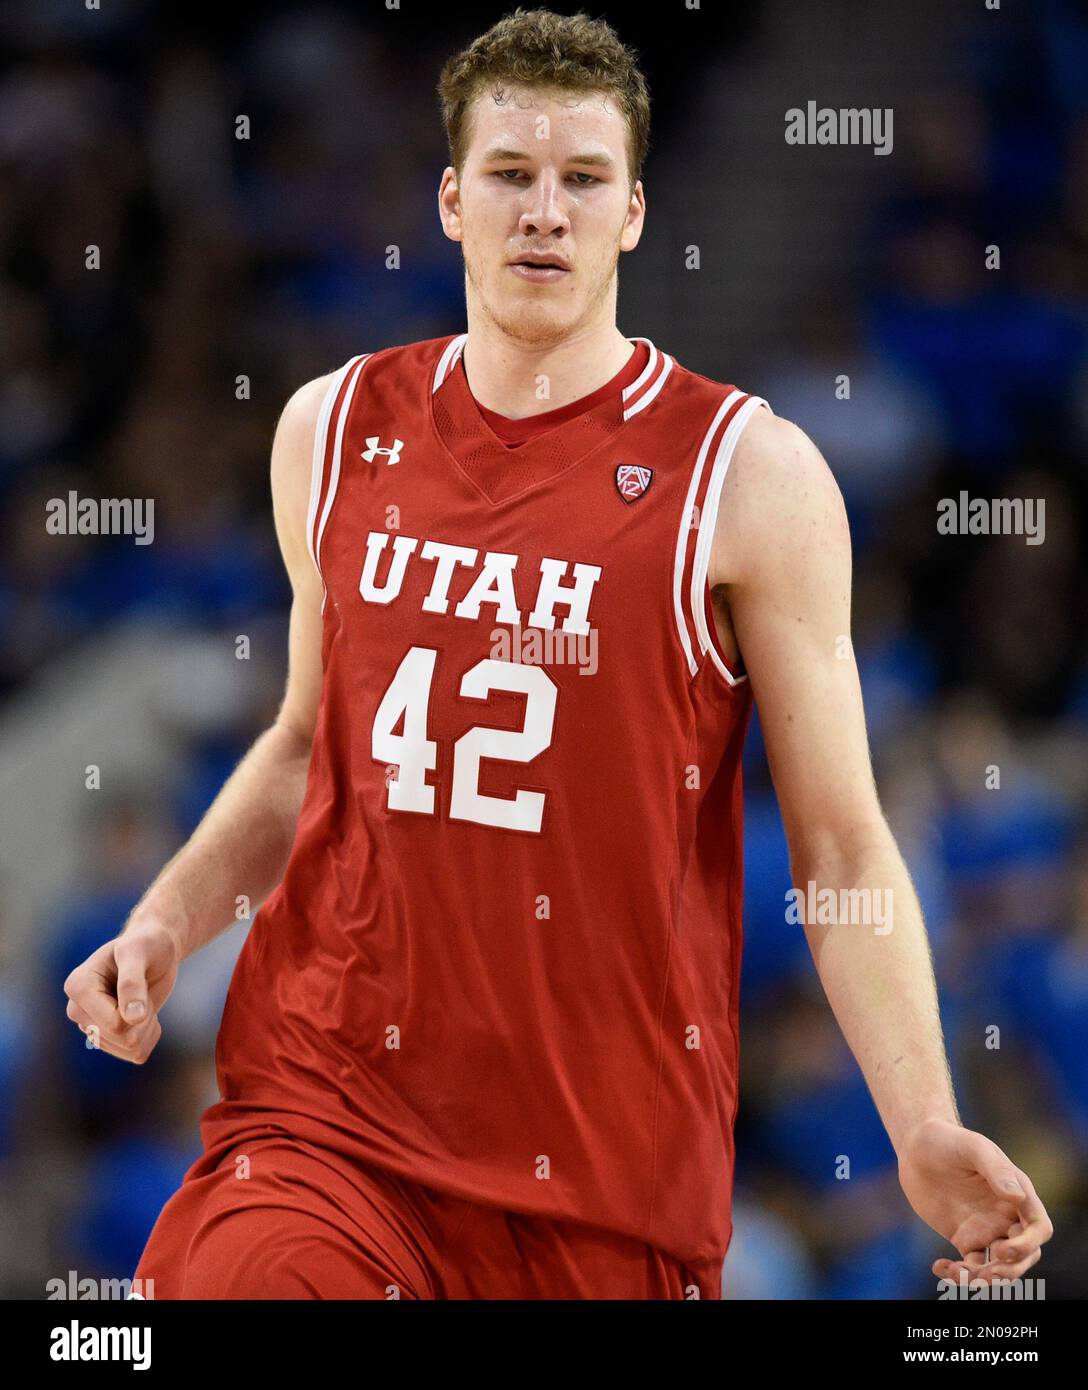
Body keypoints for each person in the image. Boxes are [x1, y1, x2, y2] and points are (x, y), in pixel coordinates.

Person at [63, 8, 1052, 1299]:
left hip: (603, 1175)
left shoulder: (748, 477)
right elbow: (307, 743)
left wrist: (922, 1120)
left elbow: (845, 848)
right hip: (327, 1123)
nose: (545, 211)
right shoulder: (332, 425)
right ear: (451, 200)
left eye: (583, 179)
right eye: (510, 176)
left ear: (635, 211)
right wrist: (168, 919)